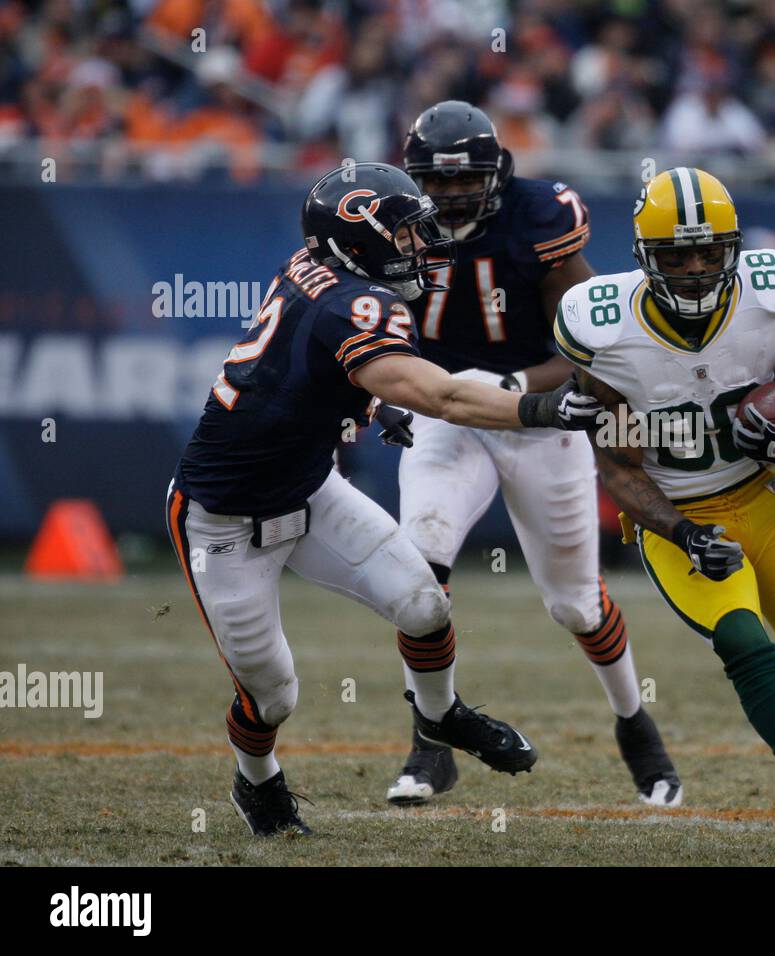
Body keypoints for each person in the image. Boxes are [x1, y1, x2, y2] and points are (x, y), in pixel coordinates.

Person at [166, 161, 598, 836]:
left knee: (423, 604)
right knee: (273, 696)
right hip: (226, 519)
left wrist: (365, 397)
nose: (419, 247)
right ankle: (257, 784)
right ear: (358, 239)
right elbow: (443, 394)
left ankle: (440, 715)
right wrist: (540, 408)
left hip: (308, 491)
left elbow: (308, 362)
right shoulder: (353, 303)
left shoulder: (328, 274)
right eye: (404, 234)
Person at [556, 166, 775, 866]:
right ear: (644, 258)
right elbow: (617, 465)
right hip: (678, 516)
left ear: (733, 248)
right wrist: (683, 533)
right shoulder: (604, 328)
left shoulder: (772, 301)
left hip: (766, 497)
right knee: (742, 643)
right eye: (677, 255)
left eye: (709, 251)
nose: (694, 267)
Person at [385, 101, 681, 808]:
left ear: (496, 173)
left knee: (576, 606)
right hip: (444, 414)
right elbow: (372, 328)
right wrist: (385, 391)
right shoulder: (388, 225)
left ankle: (635, 723)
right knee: (417, 569)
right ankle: (431, 740)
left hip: (542, 420)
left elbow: (589, 349)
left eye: (466, 181)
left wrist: (516, 389)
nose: (451, 196)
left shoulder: (540, 218)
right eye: (437, 181)